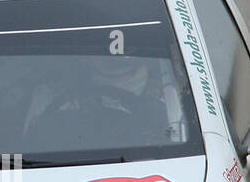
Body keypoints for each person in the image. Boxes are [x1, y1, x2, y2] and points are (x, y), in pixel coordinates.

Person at [23, 55, 177, 150]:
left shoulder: (166, 93)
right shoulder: (50, 94)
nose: (115, 57)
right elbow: (27, 147)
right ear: (85, 59)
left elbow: (174, 143)